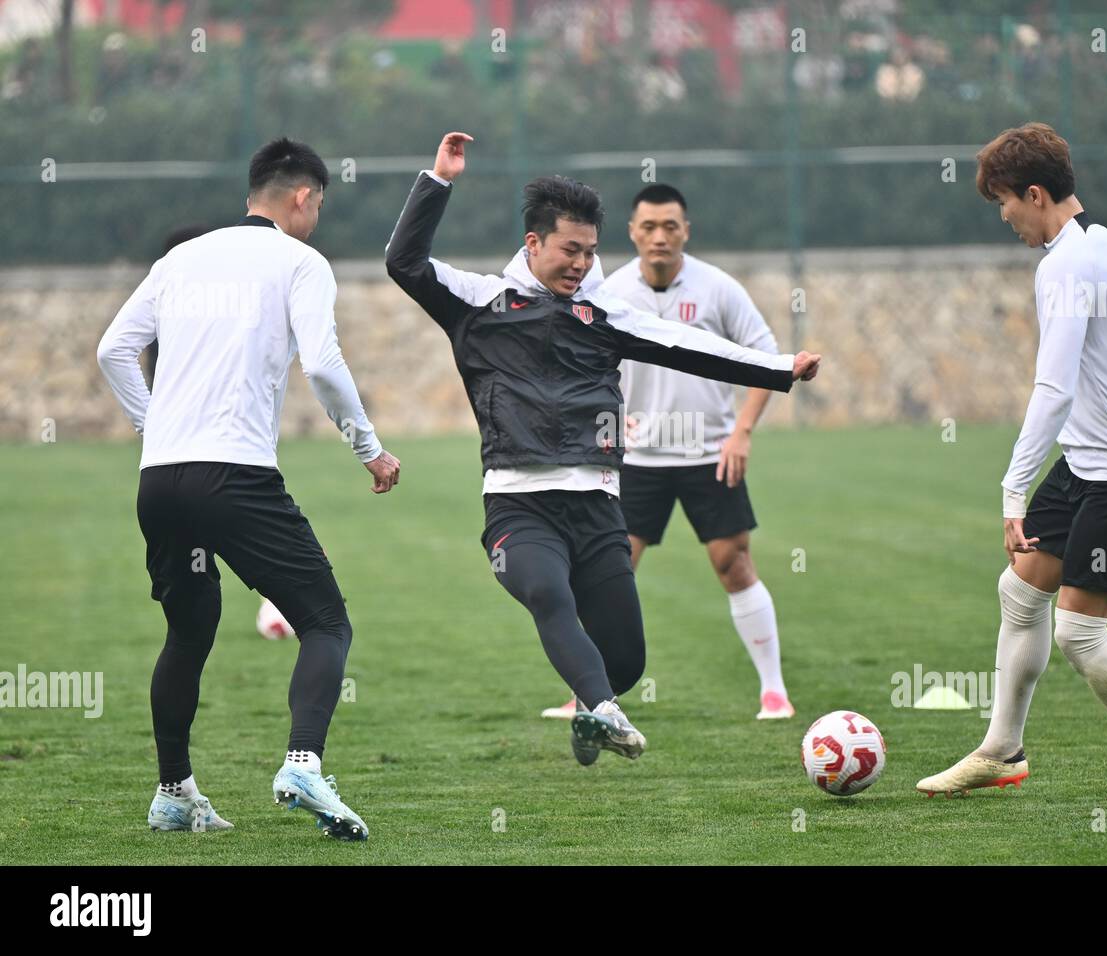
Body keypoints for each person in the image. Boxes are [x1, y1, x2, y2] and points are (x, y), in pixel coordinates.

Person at [385, 132, 821, 766]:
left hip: (596, 504)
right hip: (518, 505)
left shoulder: (606, 314)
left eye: (590, 252)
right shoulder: (478, 302)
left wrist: (781, 369)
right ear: (532, 244)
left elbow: (690, 346)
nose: (581, 264)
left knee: (627, 657)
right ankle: (605, 710)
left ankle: (595, 710)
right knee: (547, 592)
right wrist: (438, 182)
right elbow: (405, 262)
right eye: (569, 250)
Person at [97, 137, 400, 839]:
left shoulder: (182, 258)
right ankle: (302, 763)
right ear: (302, 197)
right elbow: (323, 365)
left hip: (161, 481)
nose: (316, 218)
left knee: (188, 631)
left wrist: (155, 426)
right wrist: (369, 448)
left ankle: (174, 793)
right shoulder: (299, 261)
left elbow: (112, 348)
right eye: (319, 205)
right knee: (326, 622)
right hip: (233, 476)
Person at [916, 123, 1107, 807]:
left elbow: (1054, 387)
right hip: (1089, 463)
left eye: (1005, 202)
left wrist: (1013, 488)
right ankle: (1001, 751)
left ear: (1036, 193)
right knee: (1021, 593)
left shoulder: (1065, 265)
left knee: (1079, 629)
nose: (1006, 217)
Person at [541, 183, 794, 723]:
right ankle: (591, 695)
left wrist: (742, 432)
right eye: (649, 227)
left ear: (686, 231)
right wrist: (603, 418)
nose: (660, 237)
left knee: (734, 564)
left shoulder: (719, 288)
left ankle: (774, 691)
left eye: (670, 227)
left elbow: (765, 360)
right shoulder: (604, 290)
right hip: (636, 459)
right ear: (632, 233)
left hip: (709, 454)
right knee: (609, 572)